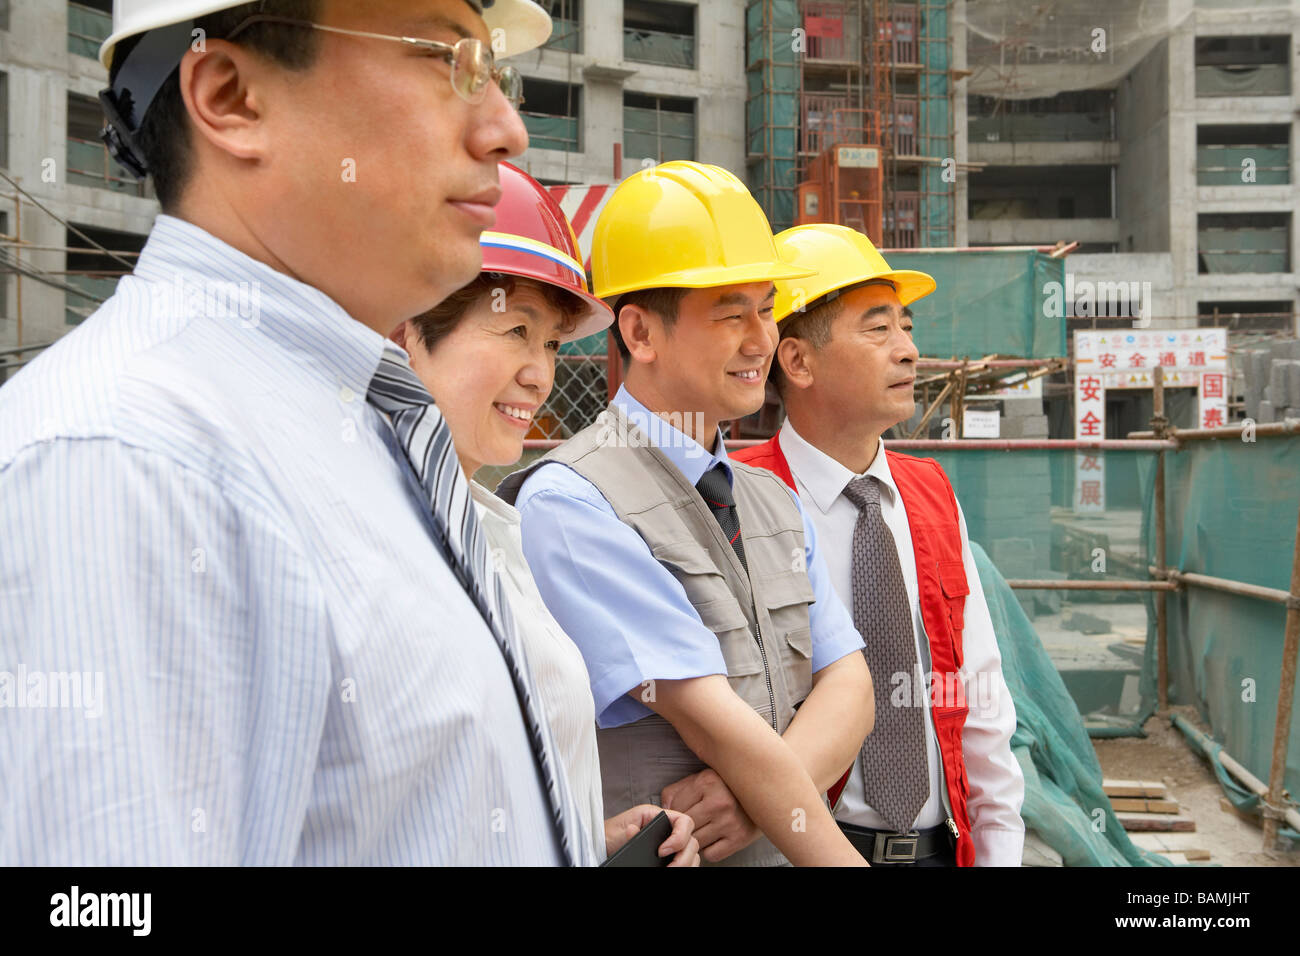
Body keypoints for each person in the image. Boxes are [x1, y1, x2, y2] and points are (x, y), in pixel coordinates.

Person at [0, 0, 599, 865]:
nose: (505, 128)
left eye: (492, 74)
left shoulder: (361, 425)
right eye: (444, 59)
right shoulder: (121, 463)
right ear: (232, 97)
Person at [497, 162, 874, 867]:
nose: (761, 340)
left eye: (766, 309)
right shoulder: (574, 502)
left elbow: (849, 685)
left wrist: (757, 802)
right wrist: (771, 791)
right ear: (639, 332)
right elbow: (710, 719)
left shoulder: (768, 501)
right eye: (731, 313)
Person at [389, 161, 698, 865]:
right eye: (514, 332)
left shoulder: (497, 529)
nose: (541, 372)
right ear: (411, 329)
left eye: (552, 343)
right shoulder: (370, 532)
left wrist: (585, 839)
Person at [732, 224, 1026, 866]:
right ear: (797, 360)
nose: (908, 351)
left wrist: (999, 846)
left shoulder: (931, 494)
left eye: (908, 327)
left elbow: (977, 689)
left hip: (939, 852)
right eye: (878, 329)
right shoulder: (739, 499)